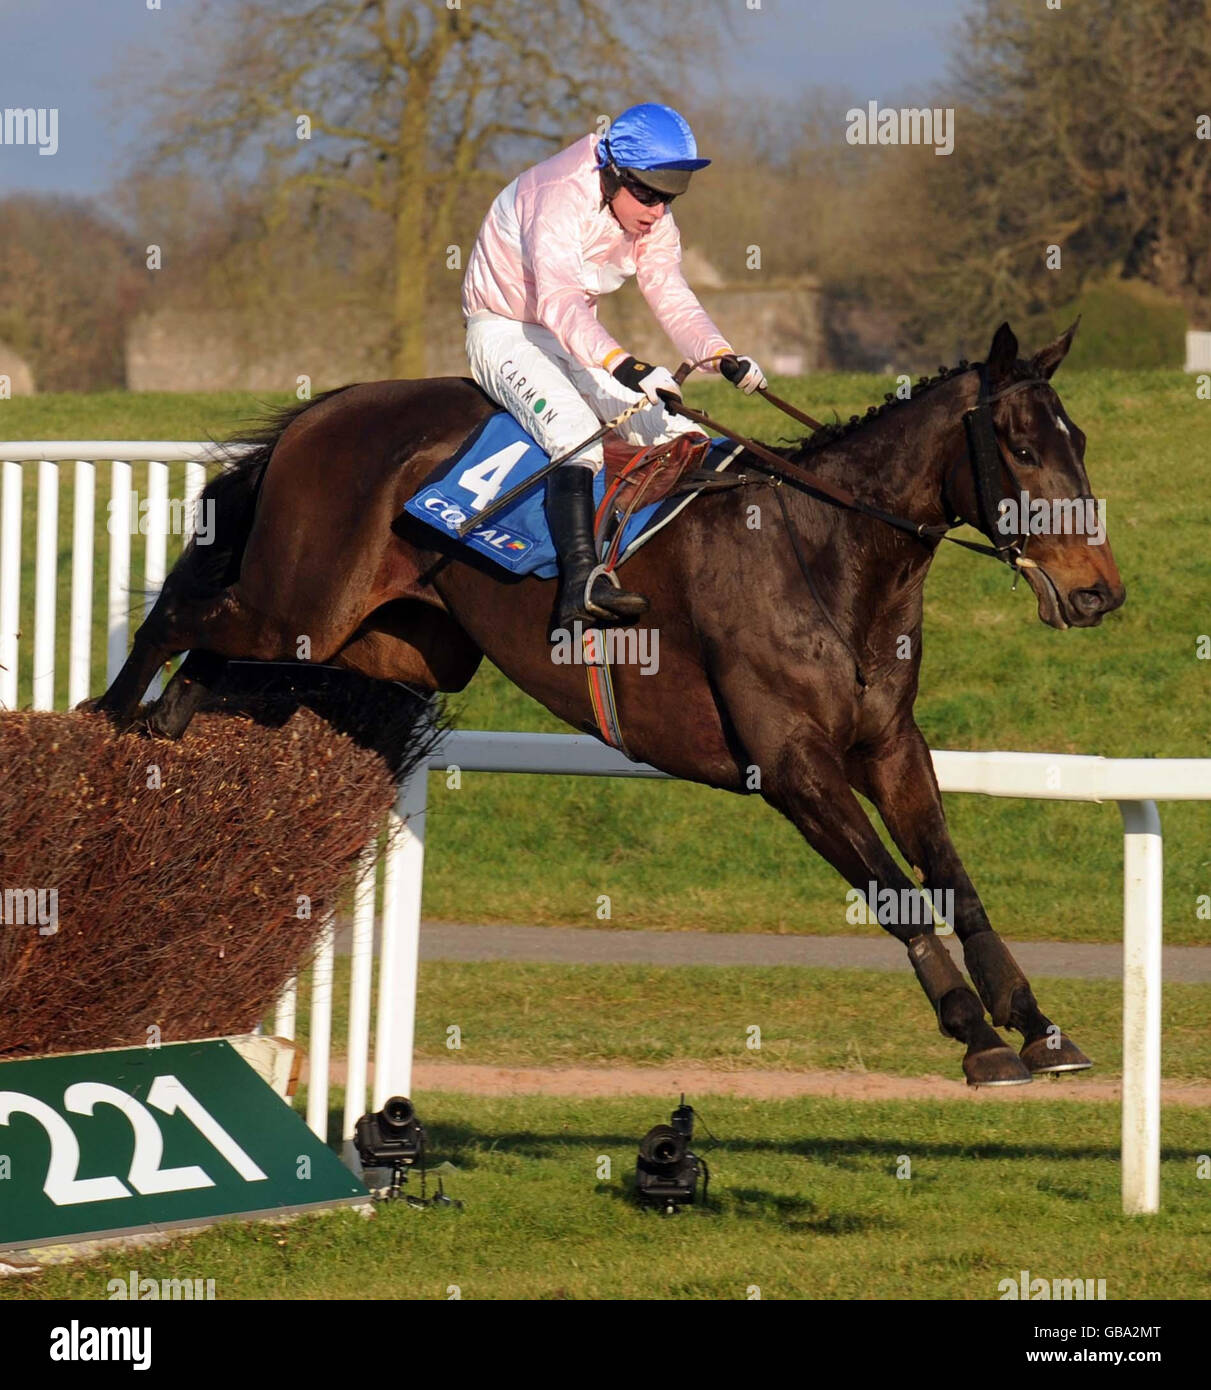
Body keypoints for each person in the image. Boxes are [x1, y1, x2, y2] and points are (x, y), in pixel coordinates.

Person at [461, 102, 766, 629]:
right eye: (646, 195)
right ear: (611, 172)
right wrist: (622, 365)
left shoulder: (652, 218)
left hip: (574, 336)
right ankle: (581, 584)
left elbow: (669, 291)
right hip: (506, 331)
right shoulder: (556, 195)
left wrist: (719, 353)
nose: (655, 212)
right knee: (576, 434)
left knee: (675, 427)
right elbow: (558, 300)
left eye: (668, 198)